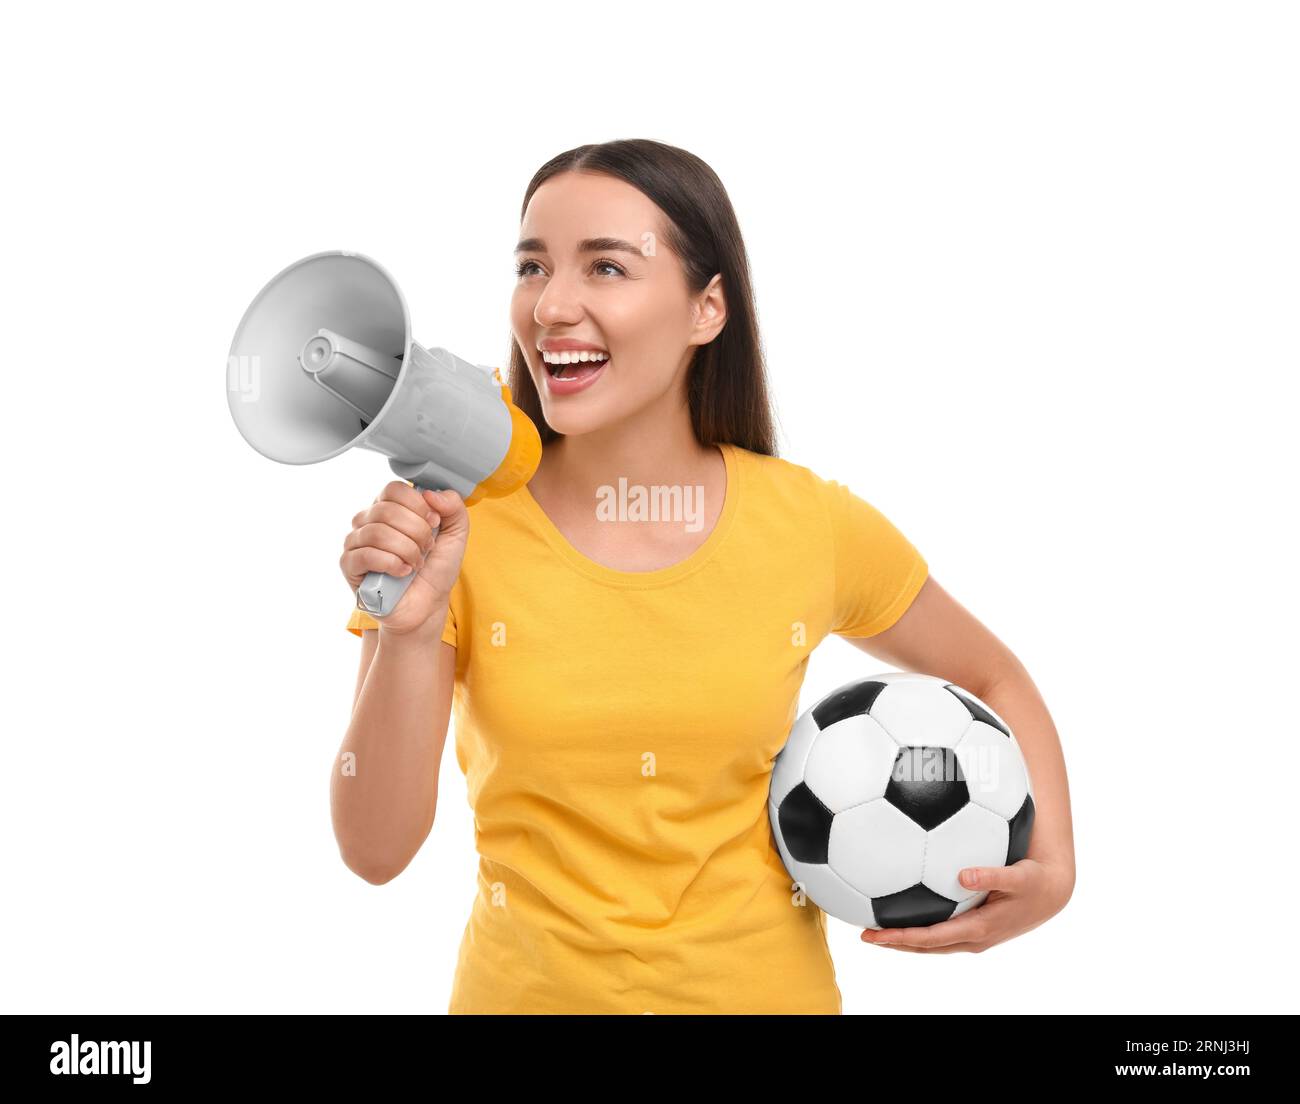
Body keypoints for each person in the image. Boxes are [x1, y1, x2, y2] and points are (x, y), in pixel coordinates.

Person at [331, 139, 1076, 1014]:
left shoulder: (808, 524)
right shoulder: (457, 529)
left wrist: (1053, 868)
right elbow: (375, 850)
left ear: (706, 309)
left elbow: (992, 676)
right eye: (532, 266)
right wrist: (409, 631)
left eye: (605, 266)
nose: (552, 305)